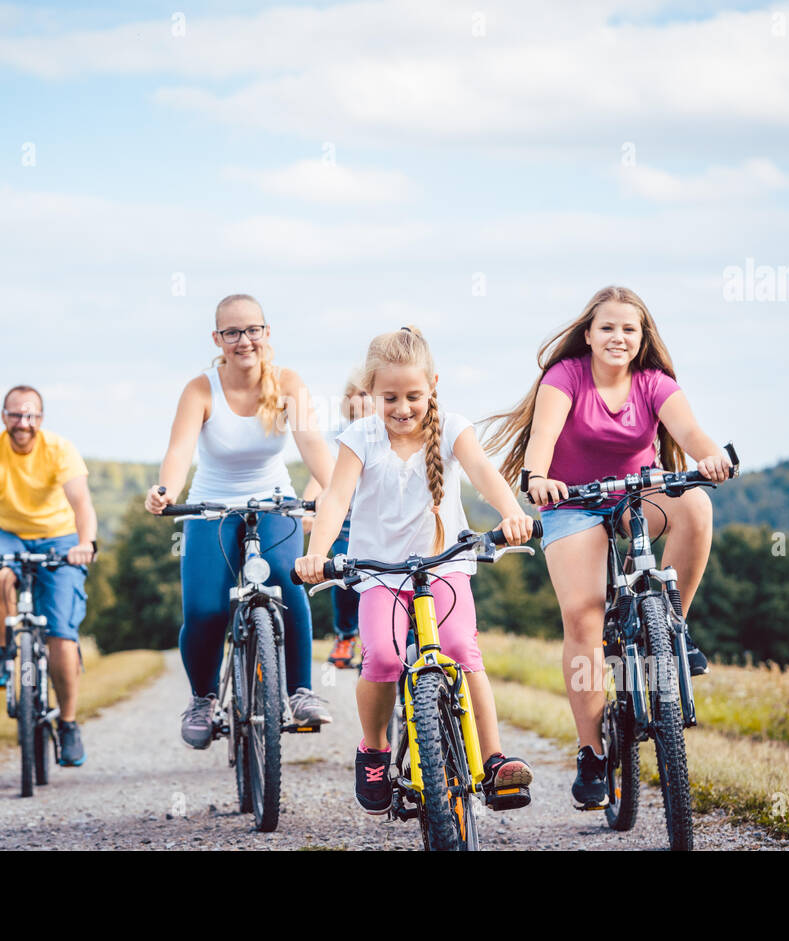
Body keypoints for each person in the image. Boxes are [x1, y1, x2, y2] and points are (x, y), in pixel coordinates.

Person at [482, 285, 732, 809]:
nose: (618, 337)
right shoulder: (565, 376)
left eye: (629, 329)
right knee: (584, 619)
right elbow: (543, 439)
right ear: (590, 335)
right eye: (608, 328)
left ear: (643, 339)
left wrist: (710, 459)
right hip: (572, 500)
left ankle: (671, 627)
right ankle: (592, 753)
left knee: (697, 507)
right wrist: (538, 476)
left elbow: (693, 433)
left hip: (635, 495)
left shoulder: (654, 383)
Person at [295, 326, 536, 815]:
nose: (402, 408)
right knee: (382, 657)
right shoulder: (359, 436)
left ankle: (493, 760)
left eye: (413, 396)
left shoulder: (451, 427)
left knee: (461, 649)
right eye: (389, 398)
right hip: (380, 572)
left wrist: (511, 513)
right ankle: (375, 749)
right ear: (371, 393)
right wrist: (317, 554)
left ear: (433, 386)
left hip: (444, 567)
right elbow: (336, 499)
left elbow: (484, 473)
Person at [145, 294, 337, 749]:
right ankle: (202, 698)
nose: (243, 340)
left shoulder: (287, 382)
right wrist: (165, 491)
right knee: (205, 609)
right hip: (210, 506)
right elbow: (180, 450)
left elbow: (312, 444)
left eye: (252, 330)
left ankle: (301, 692)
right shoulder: (200, 388)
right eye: (232, 332)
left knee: (290, 590)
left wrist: (334, 491)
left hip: (273, 504)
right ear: (218, 339)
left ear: (267, 333)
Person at [0, 385, 98, 767]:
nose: (23, 423)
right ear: (4, 416)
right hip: (7, 532)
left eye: (30, 415)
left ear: (41, 420)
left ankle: (67, 723)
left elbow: (81, 501)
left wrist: (87, 542)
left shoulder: (59, 449)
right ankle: (4, 650)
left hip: (61, 538)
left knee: (62, 637)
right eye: (16, 415)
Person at [301, 368, 372, 669]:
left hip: (378, 519)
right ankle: (345, 634)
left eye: (367, 394)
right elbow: (323, 475)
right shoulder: (339, 435)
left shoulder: (387, 430)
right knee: (344, 575)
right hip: (345, 519)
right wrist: (308, 507)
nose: (360, 400)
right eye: (354, 394)